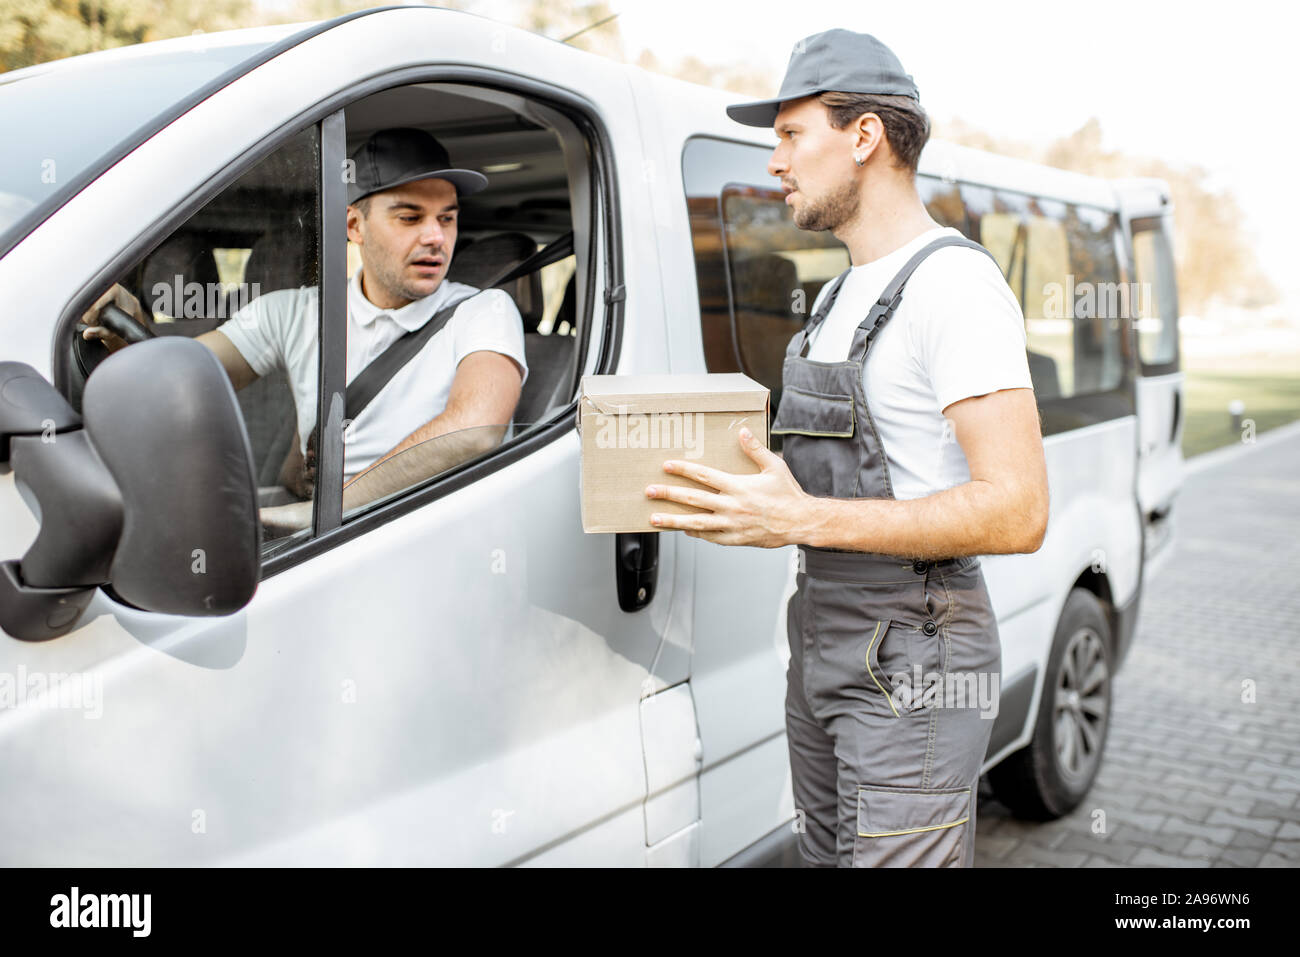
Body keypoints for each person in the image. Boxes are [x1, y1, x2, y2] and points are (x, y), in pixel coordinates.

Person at [645, 29, 1049, 867]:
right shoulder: (835, 294)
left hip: (919, 651)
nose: (777, 163)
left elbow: (1018, 507)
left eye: (792, 135)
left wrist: (803, 514)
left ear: (863, 136)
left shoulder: (954, 288)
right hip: (825, 636)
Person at [81, 127, 529, 516]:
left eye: (447, 219)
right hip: (324, 545)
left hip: (432, 540)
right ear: (354, 225)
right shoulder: (291, 313)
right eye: (410, 217)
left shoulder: (483, 311)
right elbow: (181, 380)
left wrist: (322, 513)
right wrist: (131, 327)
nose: (435, 237)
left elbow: (476, 431)